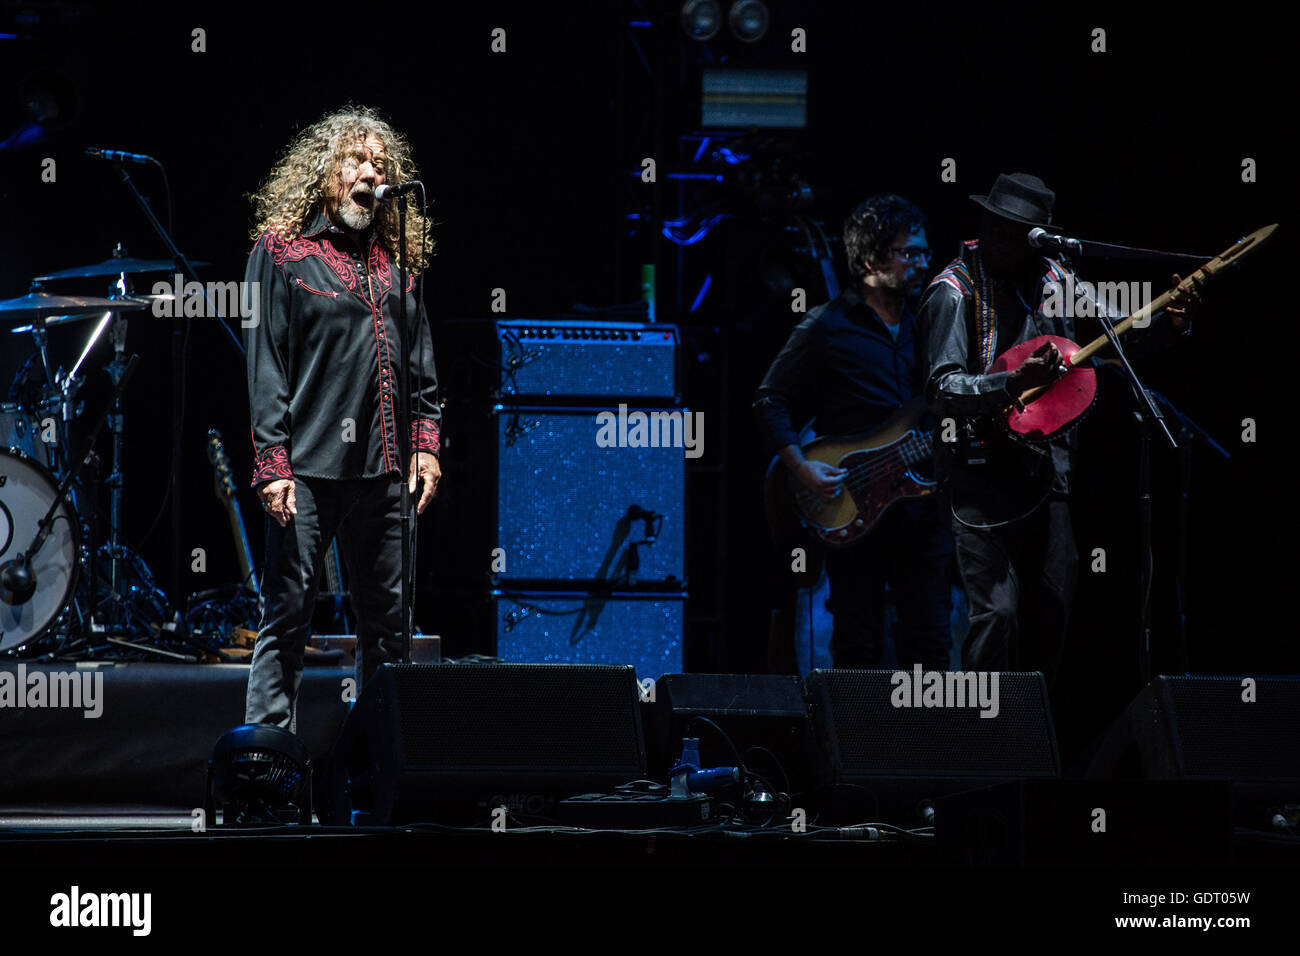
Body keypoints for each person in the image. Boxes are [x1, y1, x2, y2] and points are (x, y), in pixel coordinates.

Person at [918, 172, 1198, 682]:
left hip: (1049, 477)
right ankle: (983, 743)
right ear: (983, 221)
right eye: (997, 226)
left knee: (1052, 613)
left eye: (1017, 231)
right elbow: (942, 389)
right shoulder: (953, 290)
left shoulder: (1056, 279)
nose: (1002, 239)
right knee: (997, 615)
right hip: (980, 479)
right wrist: (1007, 384)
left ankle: (1030, 744)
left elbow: (1120, 335)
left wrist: (1169, 323)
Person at [243, 105, 441, 730]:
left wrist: (426, 444)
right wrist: (273, 464)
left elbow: (422, 368)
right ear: (324, 171)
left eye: (380, 163)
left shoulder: (395, 263)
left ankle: (379, 767)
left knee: (390, 627)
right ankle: (265, 763)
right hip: (307, 468)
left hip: (384, 473)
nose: (370, 172)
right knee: (289, 616)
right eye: (356, 160)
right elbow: (266, 365)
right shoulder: (282, 251)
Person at [754, 195, 952, 671]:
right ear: (871, 261)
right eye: (910, 253)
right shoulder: (827, 325)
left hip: (920, 509)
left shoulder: (928, 322)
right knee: (857, 643)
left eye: (925, 252)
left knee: (930, 641)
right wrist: (800, 468)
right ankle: (854, 743)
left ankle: (926, 744)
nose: (924, 263)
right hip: (853, 501)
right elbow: (769, 399)